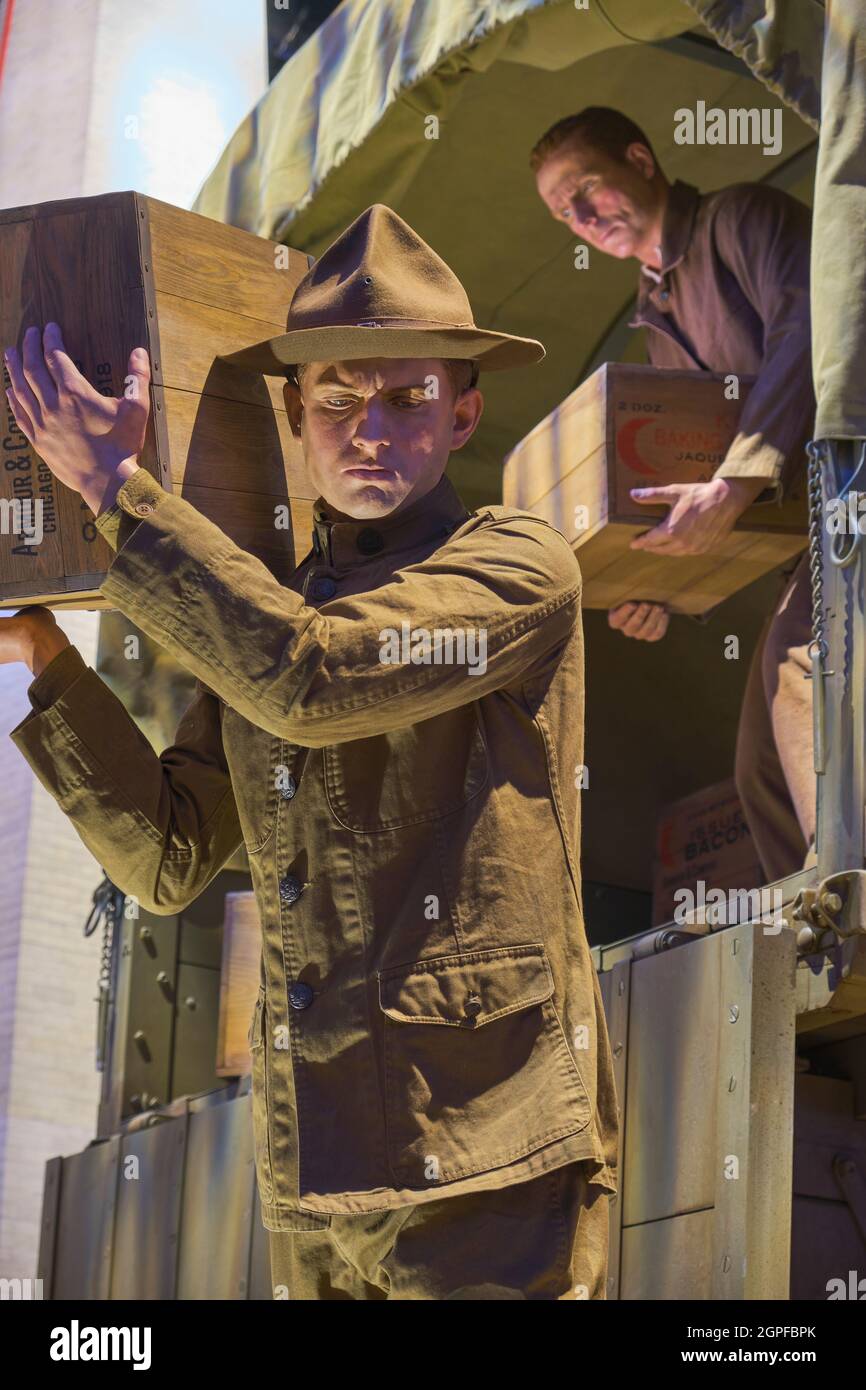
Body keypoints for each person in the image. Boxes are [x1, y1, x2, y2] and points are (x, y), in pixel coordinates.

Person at [2, 204, 617, 1300]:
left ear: (463, 410)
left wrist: (117, 493)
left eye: (405, 395)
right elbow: (170, 855)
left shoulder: (518, 566)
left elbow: (313, 678)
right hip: (312, 1172)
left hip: (486, 1158)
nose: (368, 427)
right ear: (292, 413)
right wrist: (46, 655)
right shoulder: (279, 609)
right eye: (334, 397)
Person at [531, 106, 815, 883]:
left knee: (801, 669)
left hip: (851, 503)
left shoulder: (746, 218)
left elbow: (814, 328)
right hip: (808, 547)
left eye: (588, 189)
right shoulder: (655, 317)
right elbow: (706, 474)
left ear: (641, 157)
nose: (583, 219)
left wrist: (736, 478)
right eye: (564, 212)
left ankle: (848, 904)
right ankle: (829, 942)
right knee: (760, 764)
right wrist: (661, 585)